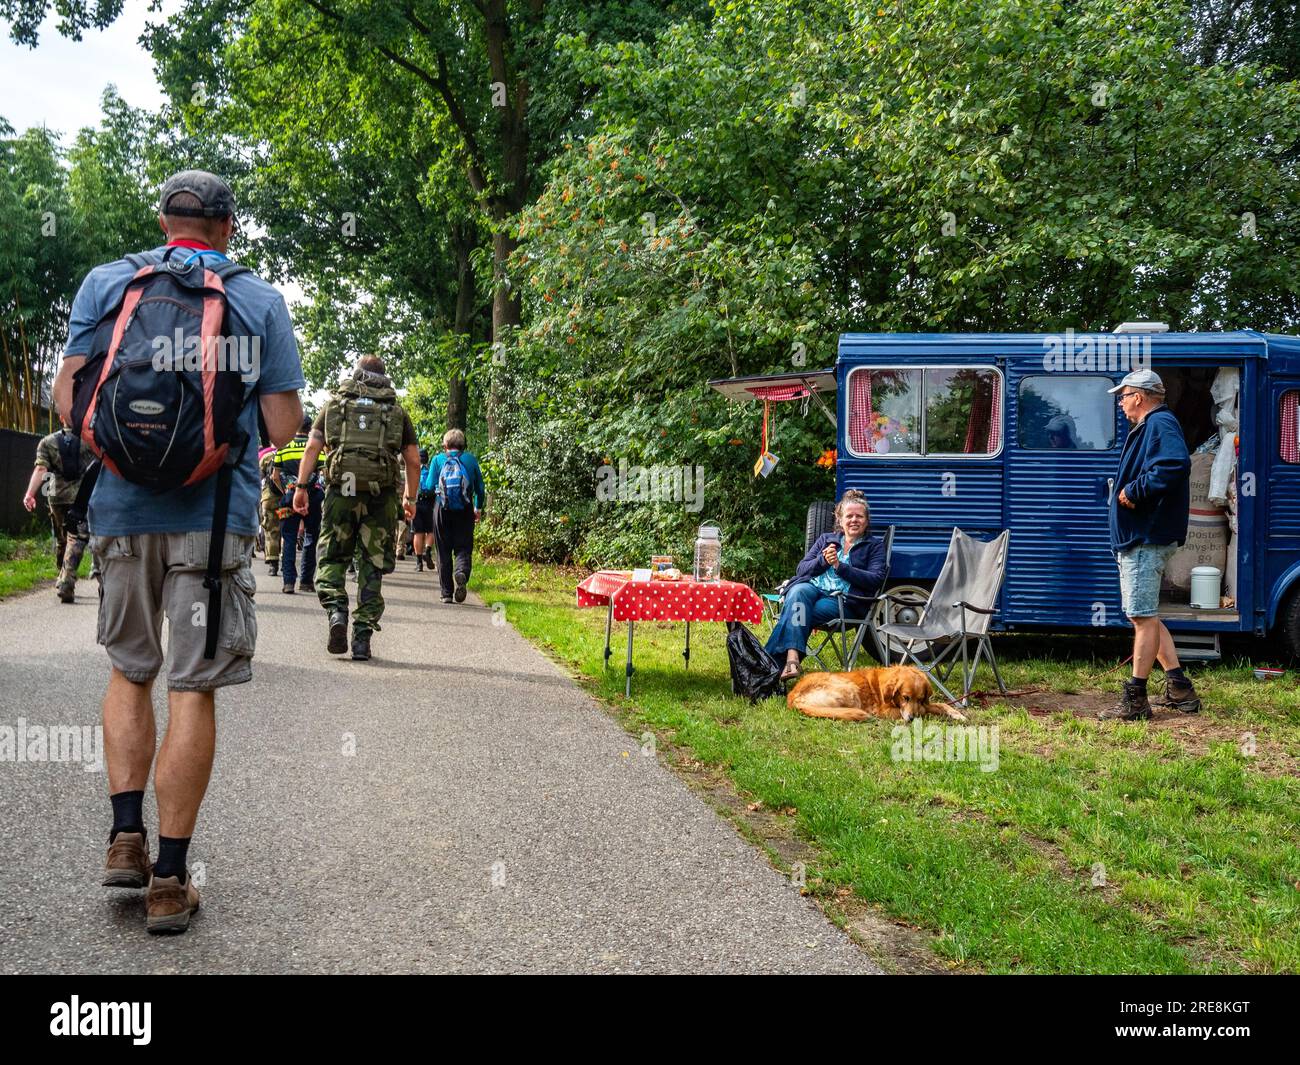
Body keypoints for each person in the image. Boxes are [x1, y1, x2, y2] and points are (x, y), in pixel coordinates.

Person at [53, 169, 304, 934]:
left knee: (131, 671)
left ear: (164, 220)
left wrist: (127, 449)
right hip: (213, 517)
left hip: (121, 510)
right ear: (228, 227)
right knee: (191, 686)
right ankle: (167, 880)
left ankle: (123, 835)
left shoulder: (107, 283)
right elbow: (285, 426)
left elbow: (67, 393)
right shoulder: (256, 299)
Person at [293, 356, 419, 660]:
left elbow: (312, 447)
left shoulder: (335, 404)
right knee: (372, 566)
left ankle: (337, 612)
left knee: (333, 557)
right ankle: (362, 639)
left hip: (340, 493)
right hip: (380, 497)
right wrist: (409, 499)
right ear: (384, 377)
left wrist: (300, 487)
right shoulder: (396, 411)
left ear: (356, 374)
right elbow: (413, 460)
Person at [1100, 369, 1201, 720]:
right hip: (1141, 536)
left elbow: (1174, 464)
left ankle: (1136, 700)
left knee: (1141, 617)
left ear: (1139, 396)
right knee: (1146, 617)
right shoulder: (1152, 425)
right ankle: (1179, 687)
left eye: (1124, 396)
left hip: (1146, 535)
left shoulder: (1160, 423)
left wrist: (1135, 490)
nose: (1121, 402)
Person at [766, 490, 886, 680]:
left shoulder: (874, 546)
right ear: (840, 519)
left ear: (866, 520)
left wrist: (840, 567)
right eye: (849, 516)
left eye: (859, 516)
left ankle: (768, 668)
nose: (854, 520)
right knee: (798, 590)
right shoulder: (826, 539)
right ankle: (791, 659)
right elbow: (802, 569)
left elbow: (875, 579)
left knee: (796, 612)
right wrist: (822, 560)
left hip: (844, 601)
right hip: (812, 589)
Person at [23, 420, 95, 602]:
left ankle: (60, 575)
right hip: (80, 497)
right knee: (77, 537)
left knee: (61, 537)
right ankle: (66, 580)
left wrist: (30, 494)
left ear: (61, 418)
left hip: (55, 495)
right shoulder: (89, 440)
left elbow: (41, 469)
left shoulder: (47, 441)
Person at [428, 429, 486, 604]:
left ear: (445, 445)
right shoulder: (470, 460)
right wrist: (477, 507)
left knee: (443, 550)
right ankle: (461, 571)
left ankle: (446, 593)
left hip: (441, 509)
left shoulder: (438, 460)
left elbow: (429, 485)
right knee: (463, 547)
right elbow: (480, 489)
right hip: (465, 509)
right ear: (463, 445)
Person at [269, 415, 322, 594]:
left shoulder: (283, 447)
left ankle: (289, 582)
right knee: (311, 537)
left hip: (287, 499)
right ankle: (307, 581)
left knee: (288, 537)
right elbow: (324, 473)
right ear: (309, 429)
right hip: (313, 498)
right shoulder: (316, 448)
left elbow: (275, 476)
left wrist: (286, 492)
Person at [258, 447, 282, 576]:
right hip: (288, 497)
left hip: (269, 498)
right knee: (287, 531)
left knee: (271, 530)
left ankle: (273, 563)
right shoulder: (291, 453)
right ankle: (288, 563)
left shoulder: (266, 457)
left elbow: (259, 478)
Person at [412, 447, 435, 572]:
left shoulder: (414, 471)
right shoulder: (430, 470)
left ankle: (419, 563)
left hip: (416, 503)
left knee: (418, 532)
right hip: (430, 504)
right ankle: (428, 551)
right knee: (430, 530)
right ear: (427, 459)